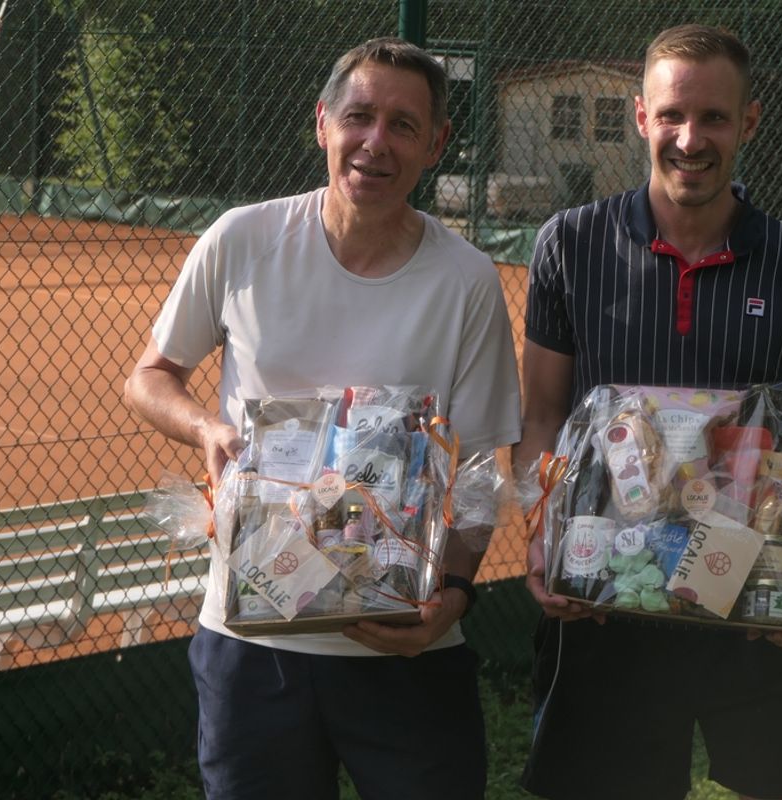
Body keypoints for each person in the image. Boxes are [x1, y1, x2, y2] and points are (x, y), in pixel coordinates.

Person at [123, 38, 521, 800]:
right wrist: (208, 429)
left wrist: (457, 598)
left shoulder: (466, 281)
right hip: (252, 641)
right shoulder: (243, 239)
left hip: (406, 648)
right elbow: (150, 377)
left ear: (436, 144)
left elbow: (475, 474)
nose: (376, 142)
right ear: (322, 124)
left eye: (404, 125)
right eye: (359, 117)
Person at [516, 24, 782, 800]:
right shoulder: (569, 246)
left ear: (748, 122)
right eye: (674, 116)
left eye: (715, 117)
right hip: (611, 602)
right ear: (641, 118)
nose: (692, 139)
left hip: (759, 603)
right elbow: (542, 419)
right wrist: (542, 534)